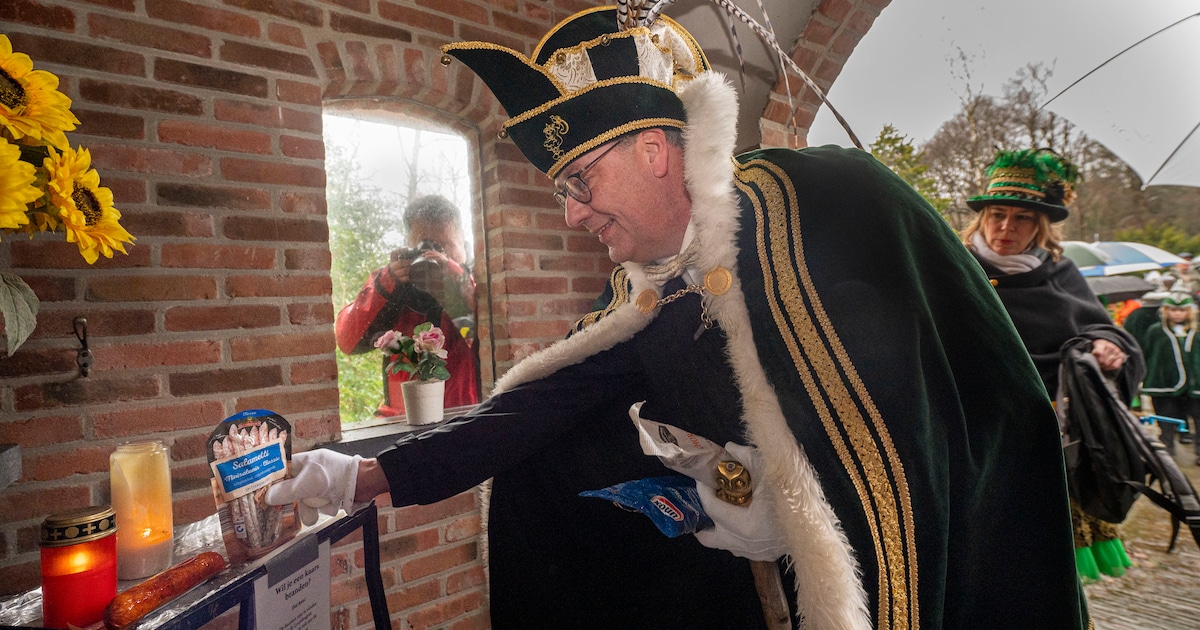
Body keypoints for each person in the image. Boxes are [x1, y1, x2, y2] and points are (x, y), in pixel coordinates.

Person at [268, 7, 1088, 628]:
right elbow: (547, 402)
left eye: (580, 182)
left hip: (947, 554)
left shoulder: (834, 196)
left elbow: (922, 422)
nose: (572, 216)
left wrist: (798, 498)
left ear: (655, 152)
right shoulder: (647, 283)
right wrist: (366, 473)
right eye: (562, 193)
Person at [961, 148, 1145, 582]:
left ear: (1040, 225)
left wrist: (1105, 345)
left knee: (1049, 574)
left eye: (1022, 218)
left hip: (1052, 448)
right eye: (998, 214)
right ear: (982, 216)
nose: (1006, 227)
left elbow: (1104, 332)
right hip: (975, 445)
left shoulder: (1060, 273)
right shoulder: (954, 269)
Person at [334, 194, 479, 418]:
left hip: (466, 416)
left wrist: (454, 275)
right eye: (424, 246)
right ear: (410, 247)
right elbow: (347, 341)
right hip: (404, 421)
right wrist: (387, 280)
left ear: (463, 245)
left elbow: (483, 329)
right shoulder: (394, 285)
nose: (435, 255)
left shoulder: (480, 281)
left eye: (445, 246)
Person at [1134, 291, 1199, 461]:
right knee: (1166, 420)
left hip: (1195, 385)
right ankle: (1167, 452)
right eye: (1173, 310)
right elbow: (1148, 352)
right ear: (1165, 310)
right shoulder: (1156, 331)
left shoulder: (1196, 331)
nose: (1177, 314)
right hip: (1163, 384)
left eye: (1182, 310)